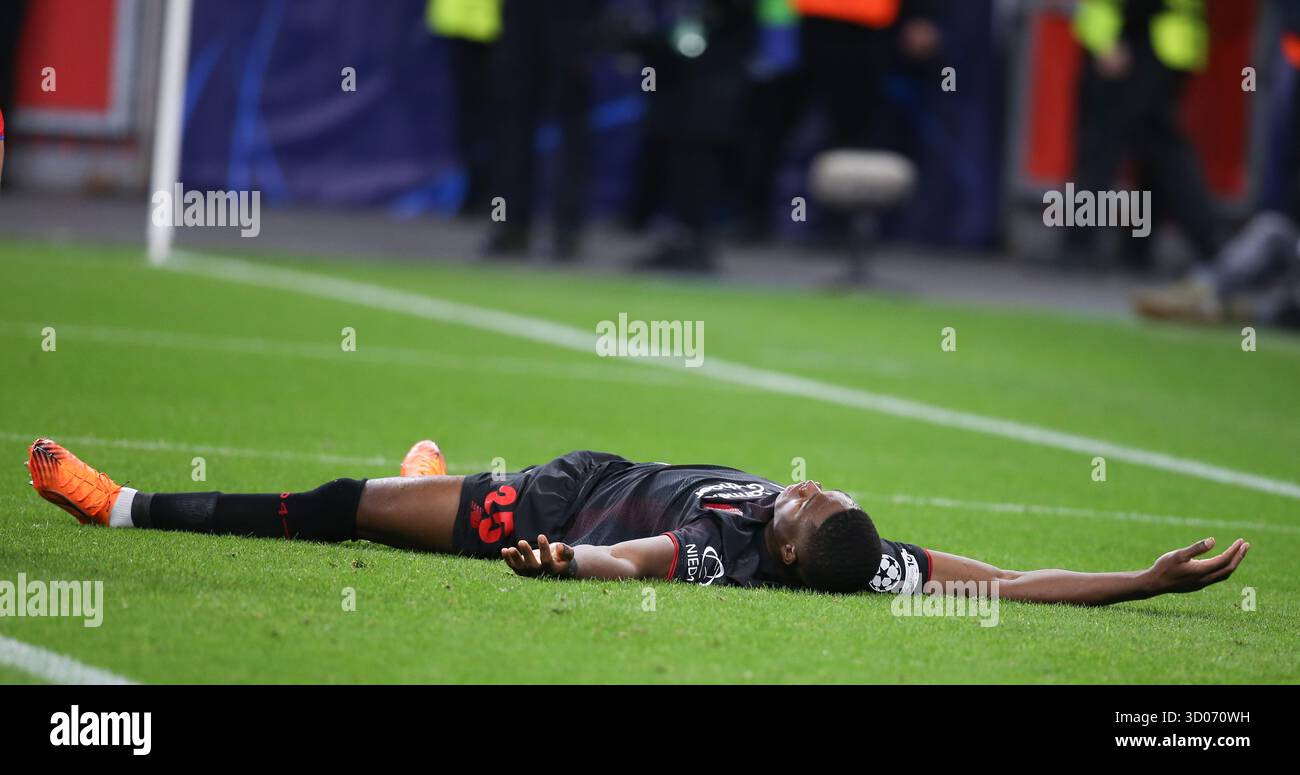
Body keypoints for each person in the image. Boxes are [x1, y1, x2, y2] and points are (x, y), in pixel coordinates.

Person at [25, 437, 1249, 603]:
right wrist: (1143, 583)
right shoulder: (868, 562)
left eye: (805, 501)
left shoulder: (728, 549)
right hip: (599, 463)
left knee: (348, 509)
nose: (804, 486)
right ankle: (435, 469)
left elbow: (639, 560)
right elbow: (1000, 582)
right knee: (412, 485)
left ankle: (121, 504)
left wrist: (565, 557)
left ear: (778, 546)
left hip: (553, 502)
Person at [1066, 0, 1222, 269]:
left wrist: (1111, 38)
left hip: (1138, 33)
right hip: (1158, 35)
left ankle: (1210, 243)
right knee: (1153, 149)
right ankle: (1139, 244)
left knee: (1113, 145)